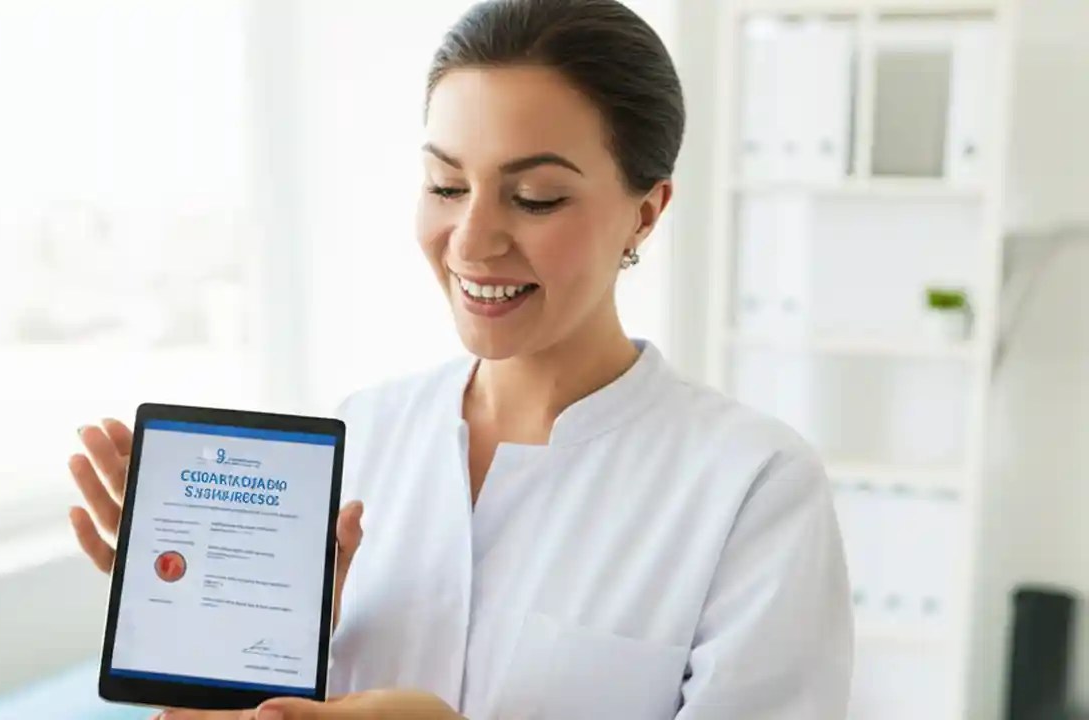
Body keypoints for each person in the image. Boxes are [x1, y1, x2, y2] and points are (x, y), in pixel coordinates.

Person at [69, 1, 854, 718]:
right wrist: (214, 655)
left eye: (537, 196)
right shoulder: (359, 435)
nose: (472, 242)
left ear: (645, 213)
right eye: (446, 185)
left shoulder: (753, 489)